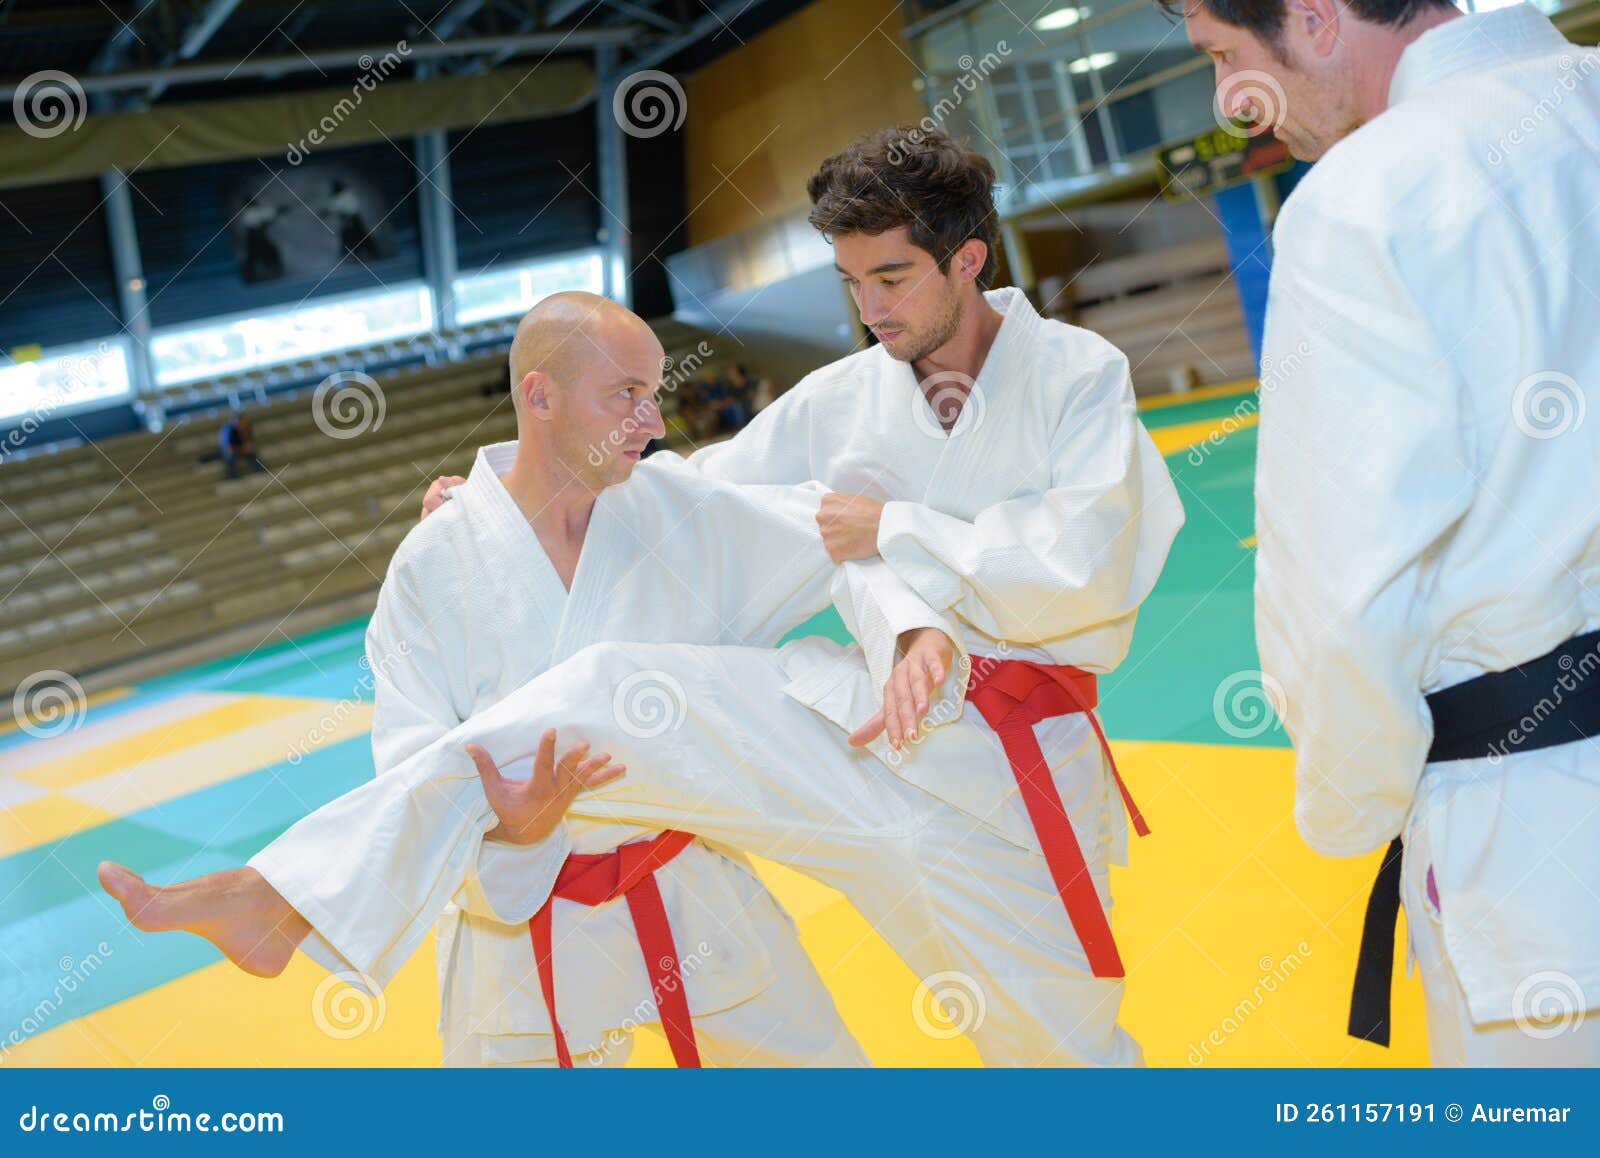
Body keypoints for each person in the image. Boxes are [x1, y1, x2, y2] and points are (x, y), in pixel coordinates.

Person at [157, 127, 1182, 1066]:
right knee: (609, 681)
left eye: (892, 276)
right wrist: (511, 493)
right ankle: (286, 897)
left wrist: (897, 535)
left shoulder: (1074, 375)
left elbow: (1085, 562)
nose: (869, 308)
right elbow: (696, 494)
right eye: (850, 280)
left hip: (1020, 743)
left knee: (1058, 1034)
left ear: (969, 259)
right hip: (868, 724)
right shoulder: (846, 395)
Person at [103, 293, 945, 1068]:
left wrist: (909, 626)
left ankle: (285, 900)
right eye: (626, 394)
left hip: (689, 889)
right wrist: (518, 832)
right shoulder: (436, 564)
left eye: (654, 392)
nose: (654, 418)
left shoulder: (681, 509)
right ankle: (279, 900)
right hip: (518, 933)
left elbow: (835, 528)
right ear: (540, 398)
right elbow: (408, 760)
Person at [1172, 0, 1600, 1062]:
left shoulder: (1367, 197)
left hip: (1541, 836)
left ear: (1313, 20)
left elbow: (1340, 612)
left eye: (1226, 57)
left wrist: (1355, 805)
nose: (1229, 103)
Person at [218, 412, 265, 478]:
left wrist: (249, 447)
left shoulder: (246, 428)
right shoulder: (229, 431)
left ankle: (261, 471)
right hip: (232, 451)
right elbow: (227, 448)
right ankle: (232, 478)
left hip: (241, 449)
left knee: (253, 455)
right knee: (229, 459)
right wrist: (243, 449)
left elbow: (251, 441)